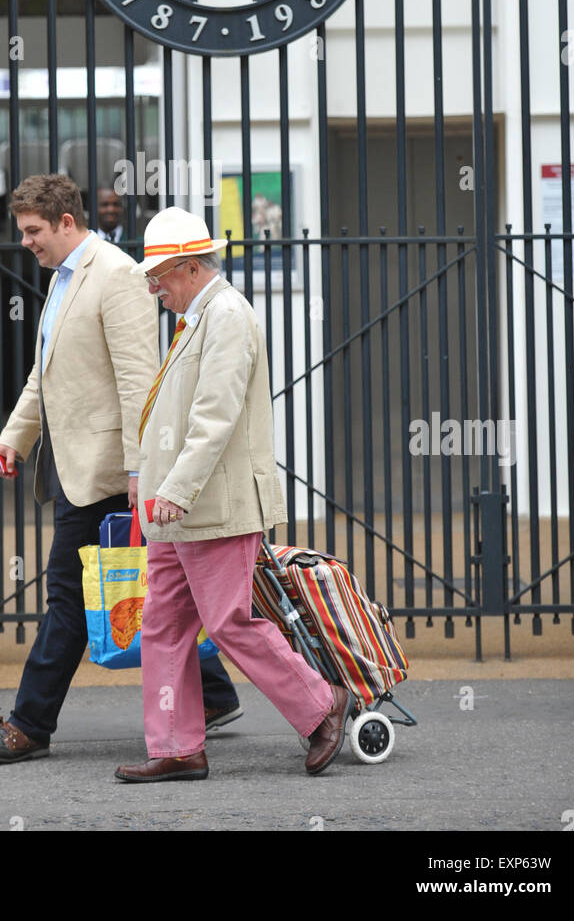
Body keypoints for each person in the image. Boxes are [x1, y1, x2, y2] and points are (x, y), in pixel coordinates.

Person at [0, 176, 239, 765]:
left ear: (67, 222)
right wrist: (15, 437)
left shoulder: (114, 274)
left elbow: (141, 381)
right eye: (23, 233)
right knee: (154, 592)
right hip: (75, 469)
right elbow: (46, 373)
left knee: (69, 593)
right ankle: (214, 694)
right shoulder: (65, 279)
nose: (27, 244)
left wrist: (143, 472)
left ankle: (28, 725)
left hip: (114, 474)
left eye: (35, 232)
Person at [115, 207, 352, 783]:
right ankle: (176, 747)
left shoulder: (225, 315)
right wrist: (152, 481)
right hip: (180, 507)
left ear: (191, 267)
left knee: (226, 621)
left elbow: (214, 418)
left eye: (160, 275)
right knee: (164, 626)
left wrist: (173, 487)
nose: (154, 287)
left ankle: (322, 706)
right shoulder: (202, 314)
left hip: (208, 505)